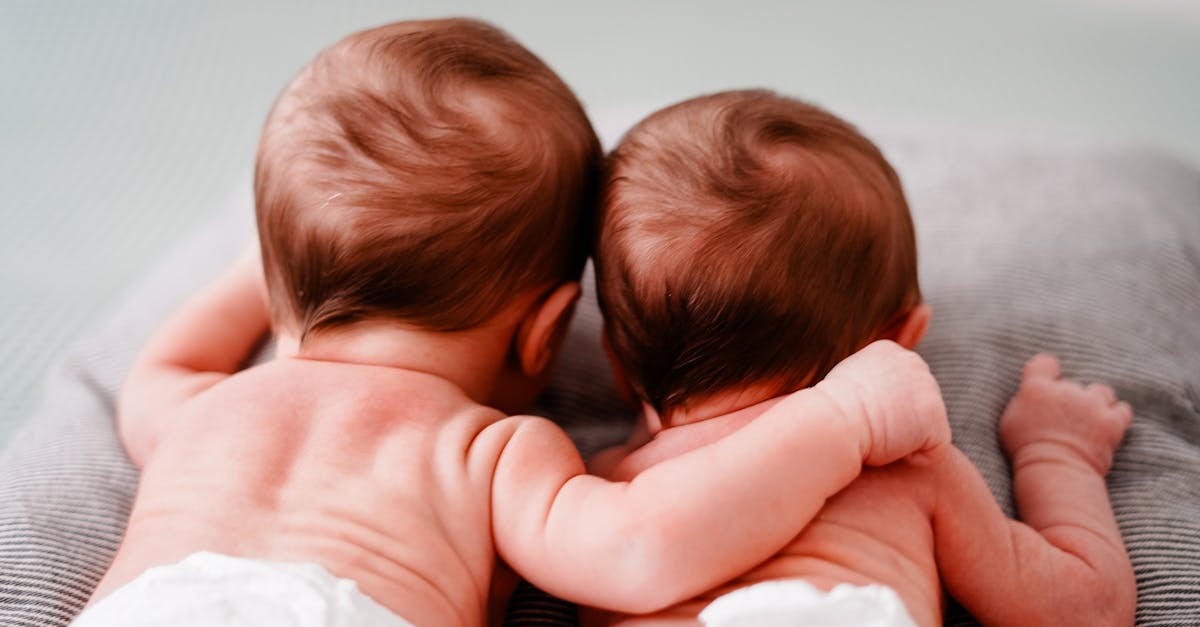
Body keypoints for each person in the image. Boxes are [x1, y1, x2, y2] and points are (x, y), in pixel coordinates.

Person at [71, 23, 950, 627]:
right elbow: (641, 549)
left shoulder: (199, 408)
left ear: (276, 281)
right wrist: (842, 420)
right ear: (549, 328)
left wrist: (288, 255)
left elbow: (167, 355)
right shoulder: (488, 450)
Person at [585, 89, 1136, 626]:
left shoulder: (601, 491)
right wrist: (1058, 456)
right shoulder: (908, 469)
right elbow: (1087, 609)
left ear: (615, 361)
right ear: (896, 341)